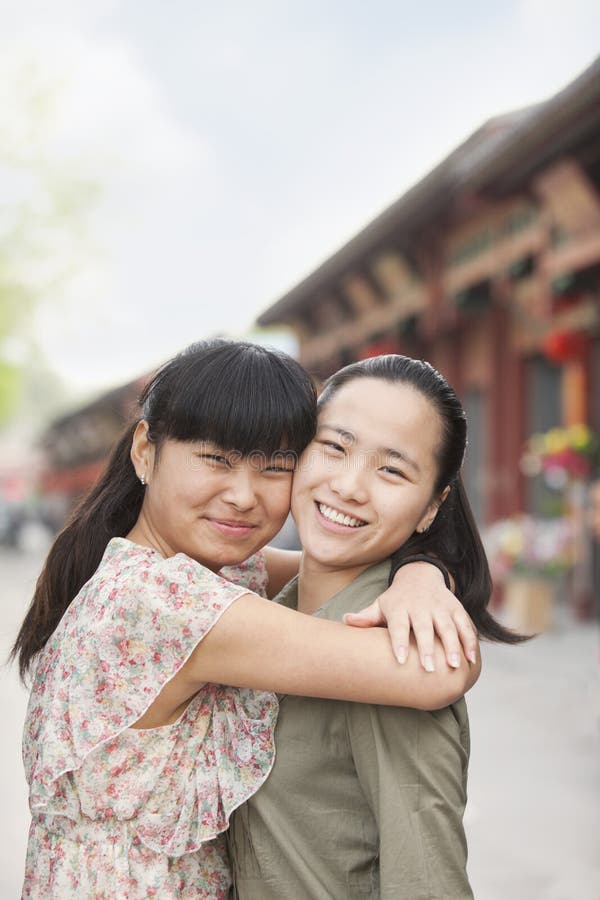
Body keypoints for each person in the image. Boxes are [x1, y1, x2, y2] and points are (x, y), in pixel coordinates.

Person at [12, 340, 479, 900]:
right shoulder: (160, 601)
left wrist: (421, 572)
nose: (242, 496)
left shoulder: (194, 573)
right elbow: (436, 669)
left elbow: (322, 568)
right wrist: (424, 577)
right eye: (216, 460)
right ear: (144, 451)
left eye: (275, 468)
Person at [230, 354, 525, 900]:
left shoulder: (395, 656)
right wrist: (425, 569)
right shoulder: (270, 602)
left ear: (431, 507)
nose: (349, 486)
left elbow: (428, 883)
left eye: (392, 470)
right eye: (334, 447)